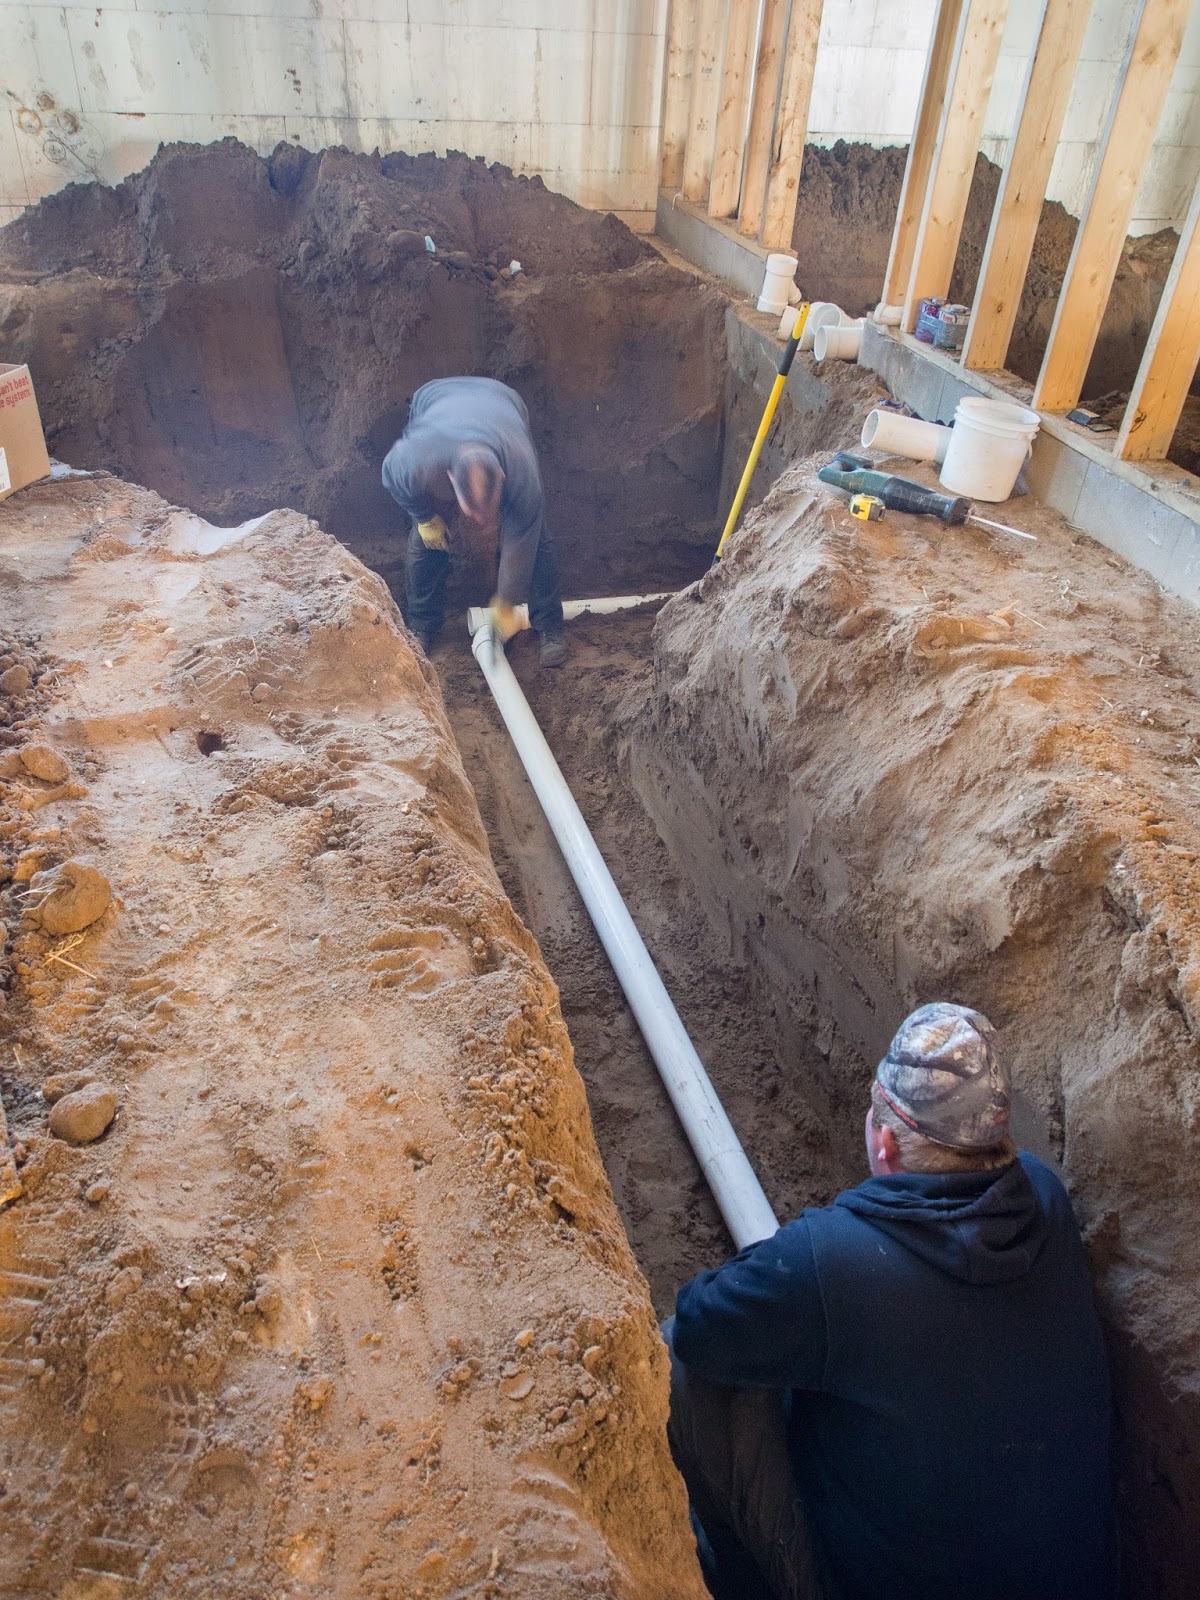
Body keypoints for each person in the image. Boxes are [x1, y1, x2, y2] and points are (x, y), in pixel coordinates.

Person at [666, 1002, 1117, 1600]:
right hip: (1069, 1579)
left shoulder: (832, 1262)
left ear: (884, 1140)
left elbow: (701, 1322)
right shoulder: (1044, 1196)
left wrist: (804, 1283)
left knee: (677, 1359)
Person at [381, 376, 567, 666]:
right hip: (434, 398)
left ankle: (550, 625)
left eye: (487, 512)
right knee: (426, 538)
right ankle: (421, 624)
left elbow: (521, 540)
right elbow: (390, 475)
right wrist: (425, 517)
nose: (481, 522)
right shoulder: (416, 457)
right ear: (451, 479)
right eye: (473, 512)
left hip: (503, 402)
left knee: (535, 537)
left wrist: (505, 603)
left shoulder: (521, 470)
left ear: (503, 478)